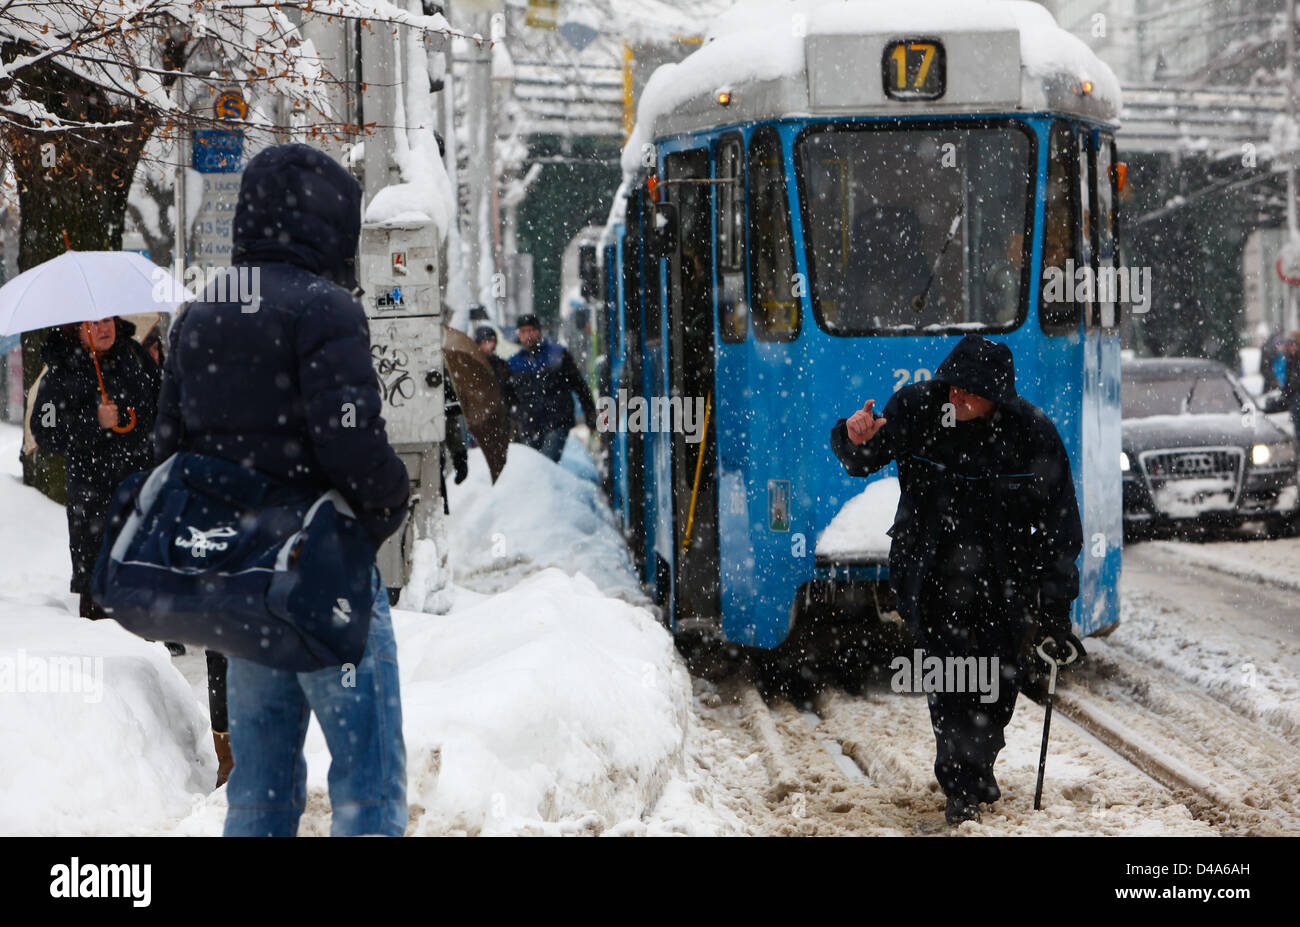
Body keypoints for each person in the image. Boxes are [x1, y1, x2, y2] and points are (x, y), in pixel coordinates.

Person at [155, 143, 410, 837]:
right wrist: (388, 505)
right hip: (327, 577)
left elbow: (166, 456)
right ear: (332, 223)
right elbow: (351, 443)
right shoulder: (327, 309)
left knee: (260, 791)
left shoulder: (200, 315)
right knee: (368, 788)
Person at [830, 334, 1085, 826]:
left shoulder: (1032, 434)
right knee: (948, 679)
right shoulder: (918, 408)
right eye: (951, 387)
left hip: (1006, 579)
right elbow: (861, 458)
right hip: (931, 574)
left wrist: (1056, 614)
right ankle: (960, 785)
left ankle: (979, 761)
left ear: (997, 397)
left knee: (998, 680)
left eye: (969, 393)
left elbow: (1061, 530)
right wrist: (851, 435)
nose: (956, 398)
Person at [30, 316, 159, 621]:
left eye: (109, 320)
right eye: (95, 323)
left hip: (140, 490)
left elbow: (163, 403)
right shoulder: (59, 374)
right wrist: (93, 421)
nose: (105, 328)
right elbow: (45, 430)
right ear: (77, 329)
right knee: (100, 598)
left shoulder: (135, 357)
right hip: (93, 501)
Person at [507, 312, 597, 462]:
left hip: (557, 422)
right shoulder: (514, 363)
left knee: (546, 463)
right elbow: (508, 397)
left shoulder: (558, 355)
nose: (528, 335)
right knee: (535, 467)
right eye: (523, 331)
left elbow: (579, 385)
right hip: (529, 426)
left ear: (539, 331)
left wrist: (590, 415)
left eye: (531, 330)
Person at [475, 324, 516, 411]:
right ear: (479, 344)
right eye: (487, 341)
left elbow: (509, 391)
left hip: (501, 412)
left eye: (494, 341)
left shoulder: (502, 364)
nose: (492, 344)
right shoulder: (473, 365)